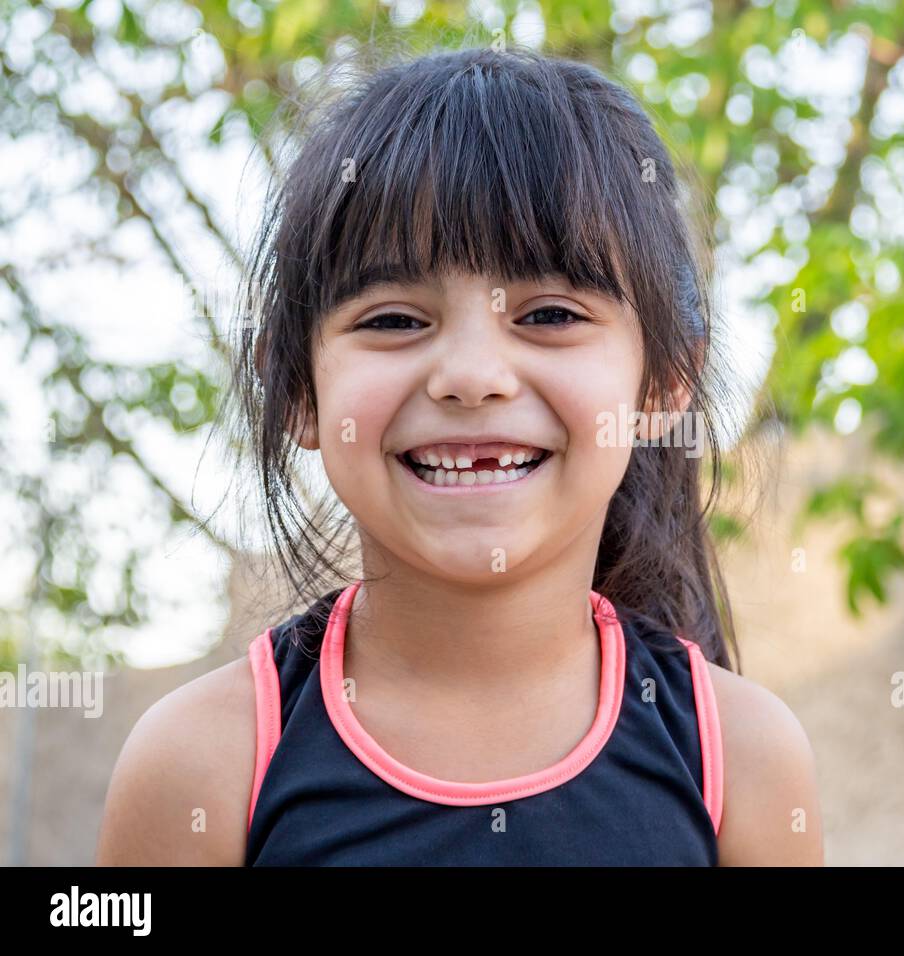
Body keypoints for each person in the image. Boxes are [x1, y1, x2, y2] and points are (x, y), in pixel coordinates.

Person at [96, 43, 821, 866]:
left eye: (550, 314)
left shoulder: (744, 757)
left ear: (664, 381)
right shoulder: (202, 765)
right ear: (297, 389)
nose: (471, 377)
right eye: (394, 320)